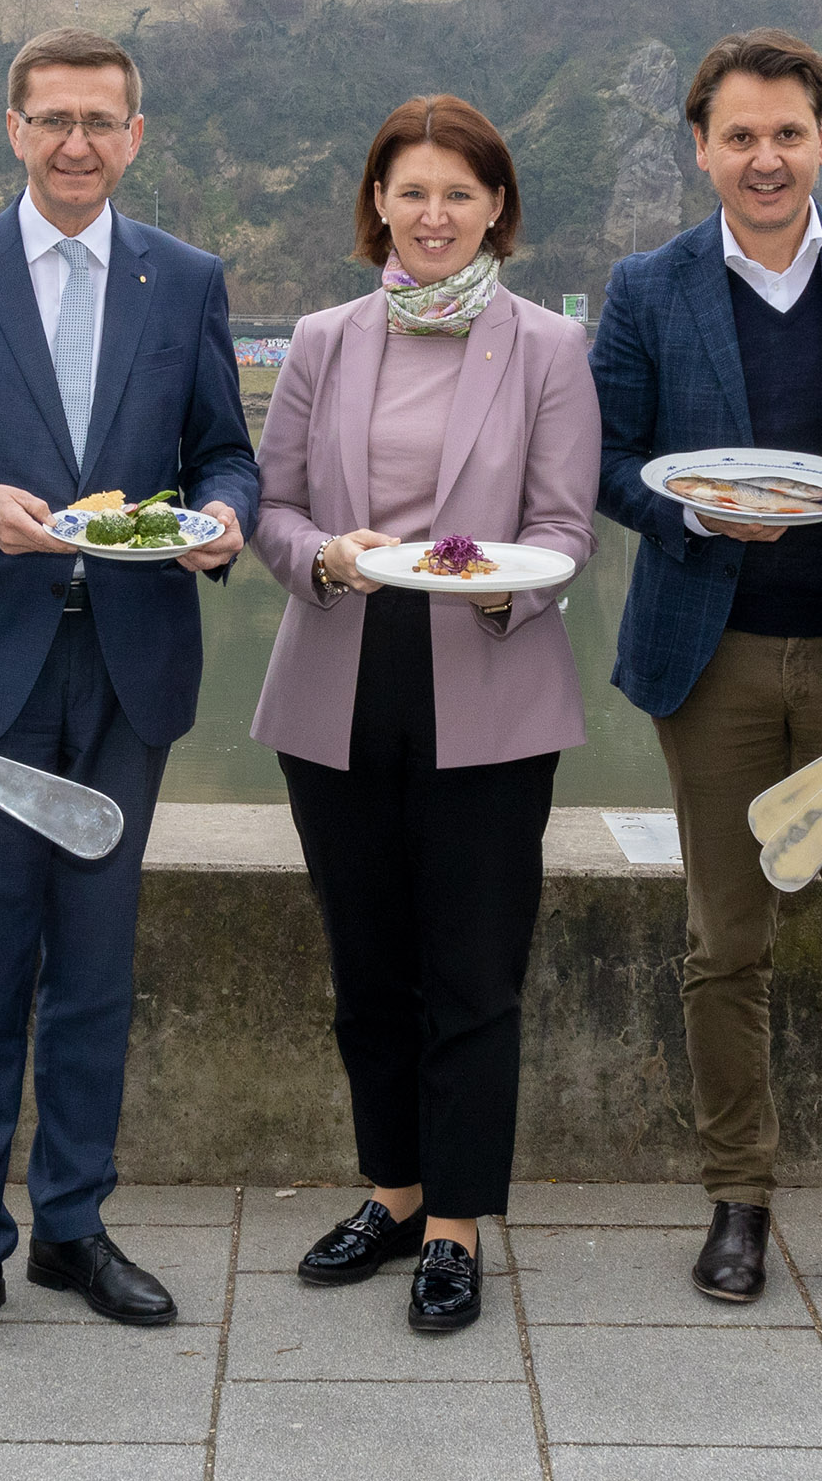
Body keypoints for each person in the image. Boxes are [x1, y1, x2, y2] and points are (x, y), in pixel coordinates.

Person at [0, 27, 260, 1368]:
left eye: (102, 119)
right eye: (53, 119)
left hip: (131, 667)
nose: (77, 141)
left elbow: (227, 455)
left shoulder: (184, 278)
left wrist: (217, 518)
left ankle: (74, 1225)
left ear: (136, 136)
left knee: (94, 966)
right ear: (14, 130)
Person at [591, 29, 822, 1317]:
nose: (764, 158)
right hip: (714, 657)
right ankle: (737, 1197)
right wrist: (691, 513)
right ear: (701, 148)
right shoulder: (645, 288)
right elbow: (602, 461)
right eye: (738, 135)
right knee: (725, 941)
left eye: (787, 133)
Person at [251, 95, 600, 1334]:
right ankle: (390, 1192)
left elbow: (562, 532)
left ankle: (454, 1223)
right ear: (378, 206)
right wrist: (329, 559)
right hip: (336, 672)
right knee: (365, 967)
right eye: (411, 192)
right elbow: (273, 509)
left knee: (472, 969)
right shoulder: (322, 338)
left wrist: (492, 580)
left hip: (489, 681)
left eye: (459, 192)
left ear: (496, 205)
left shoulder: (550, 349)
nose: (434, 214)